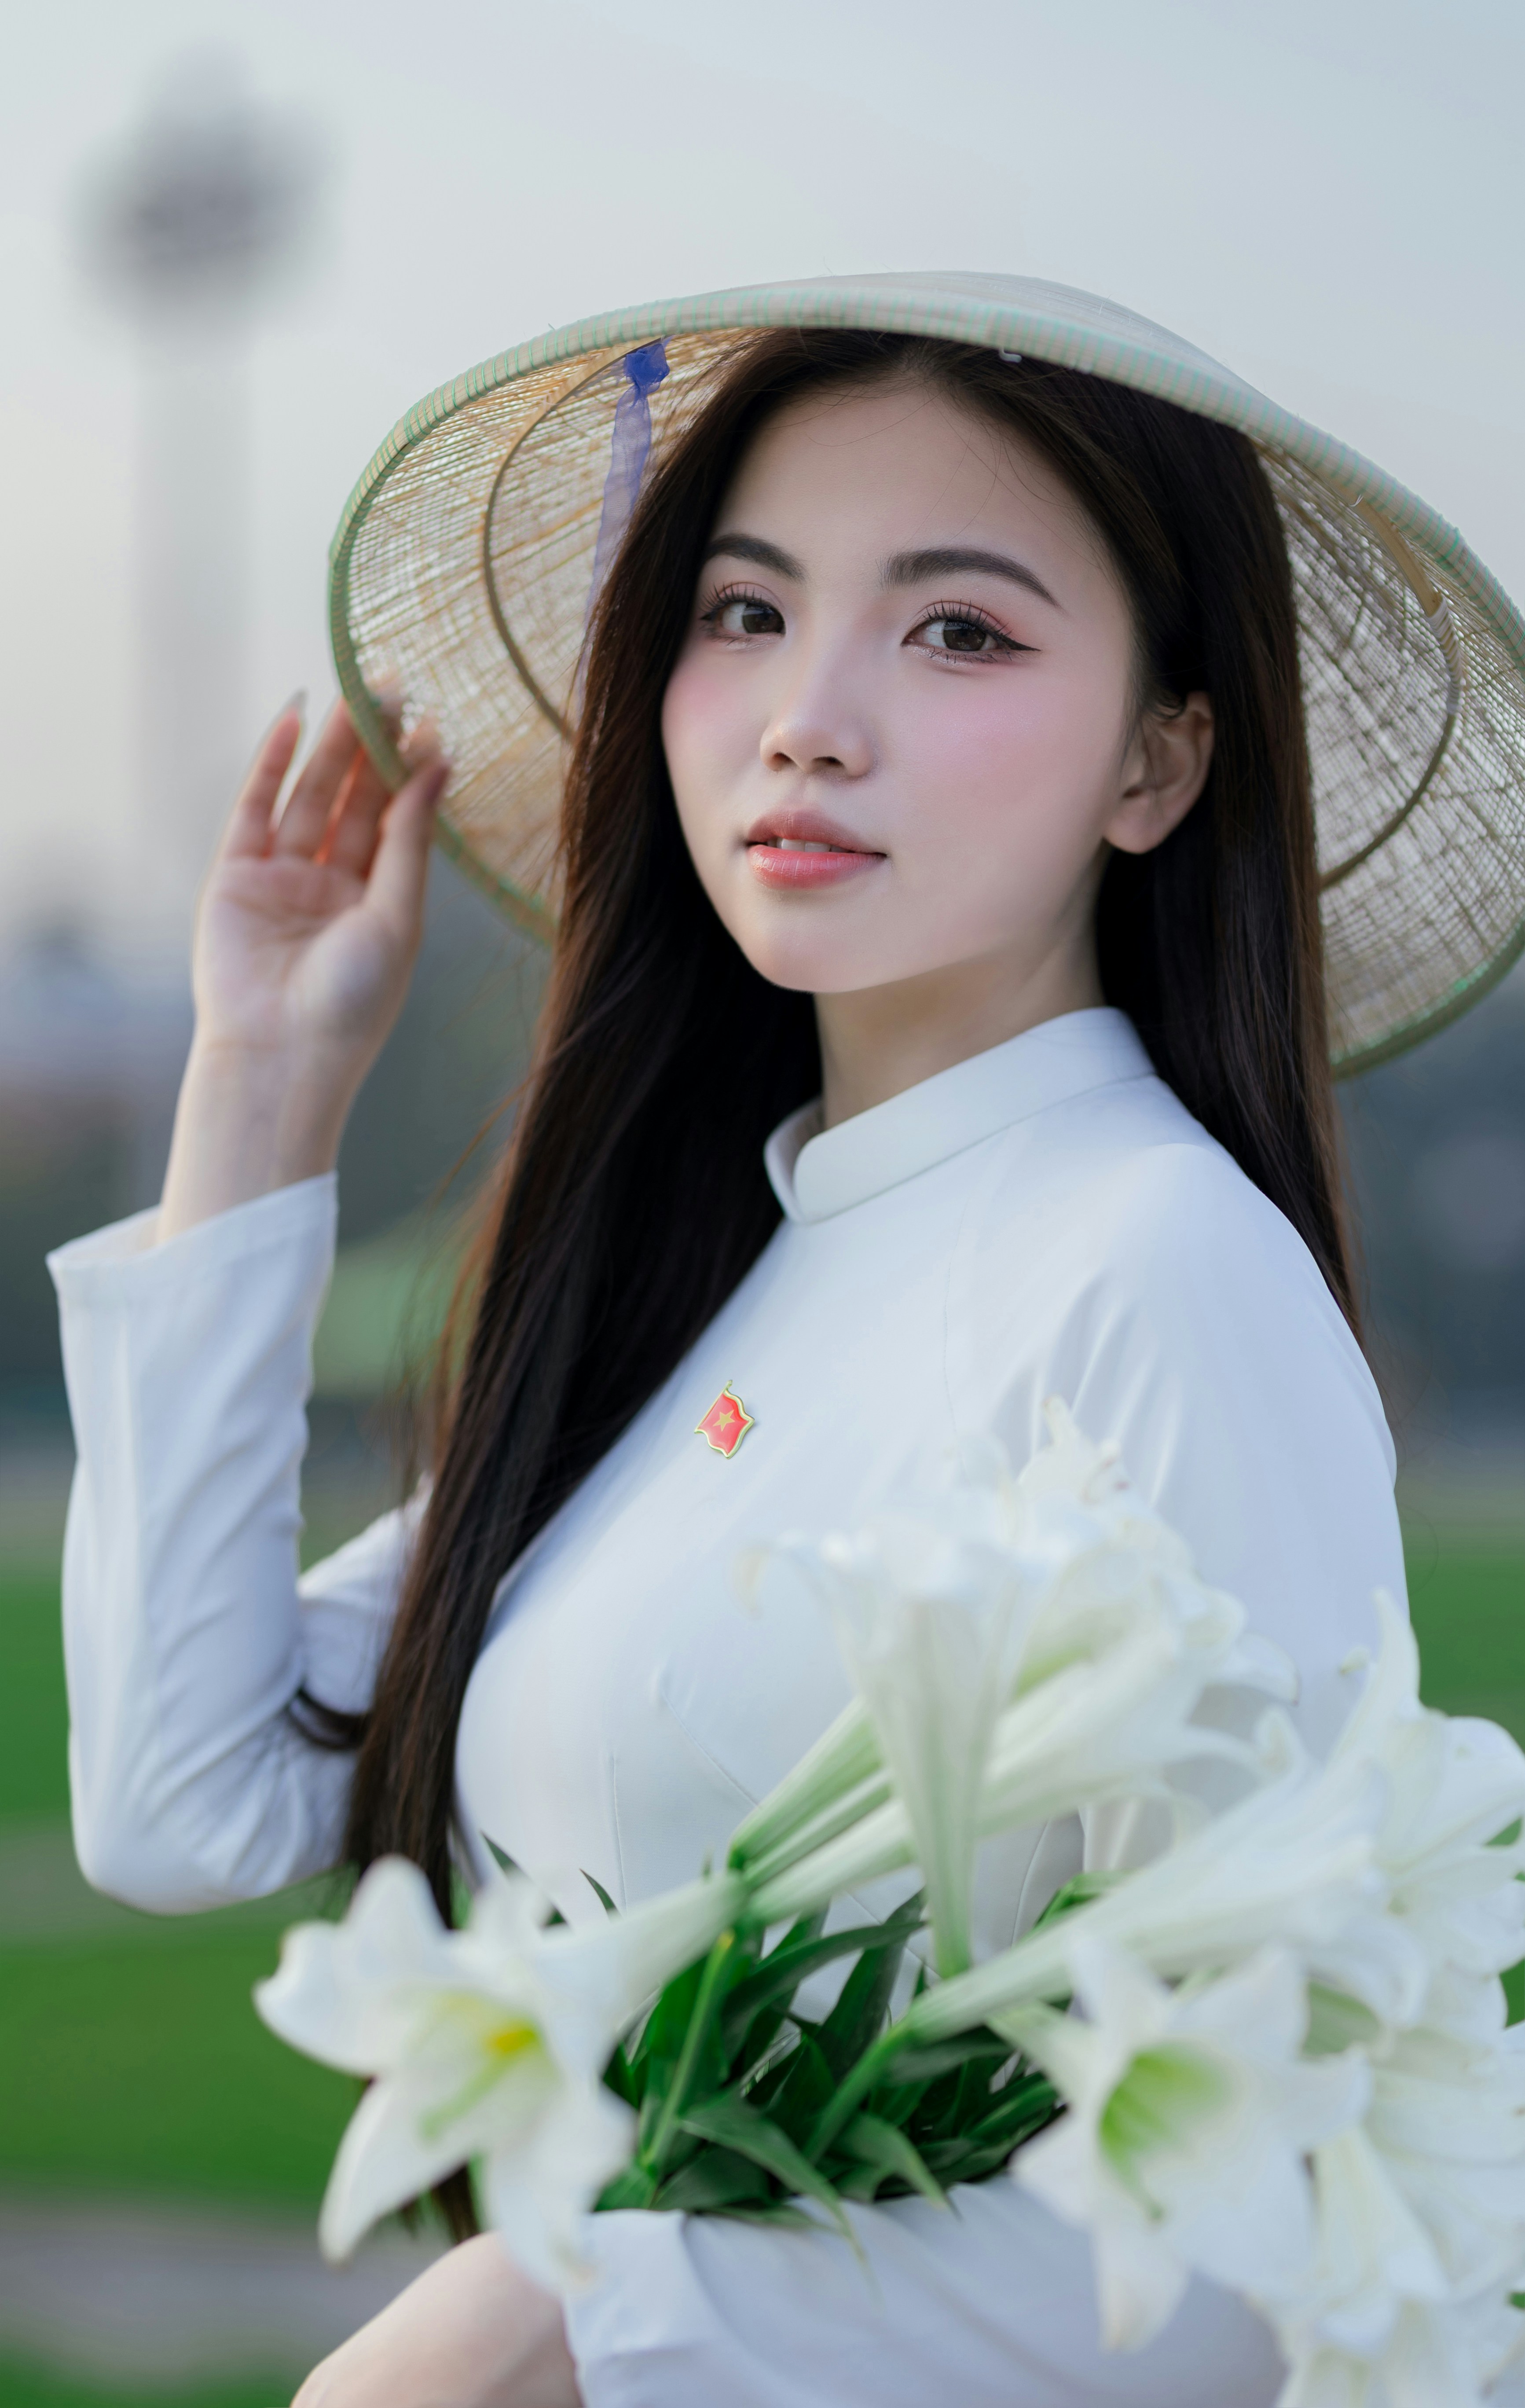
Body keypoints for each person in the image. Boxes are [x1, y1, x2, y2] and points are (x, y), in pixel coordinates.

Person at [48, 280, 1525, 2407]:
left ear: (1160, 760)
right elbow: (185, 1801)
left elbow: (1259, 2231)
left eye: (959, 634)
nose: (805, 716)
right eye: (745, 611)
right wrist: (258, 1091)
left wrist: (578, 2317)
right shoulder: (702, 1266)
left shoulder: (1159, 1272)